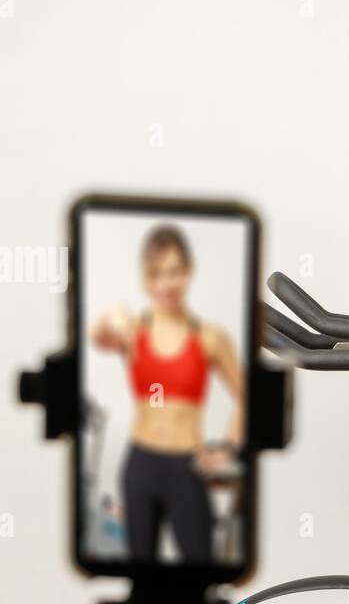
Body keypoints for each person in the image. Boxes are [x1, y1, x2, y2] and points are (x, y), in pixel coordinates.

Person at [89, 224, 244, 563]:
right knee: (141, 583)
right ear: (145, 279)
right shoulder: (133, 331)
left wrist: (228, 449)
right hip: (141, 464)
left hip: (185, 466)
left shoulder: (209, 337)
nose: (166, 283)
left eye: (174, 271)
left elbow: (248, 398)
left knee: (200, 575)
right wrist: (112, 313)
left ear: (189, 272)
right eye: (157, 273)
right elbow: (96, 337)